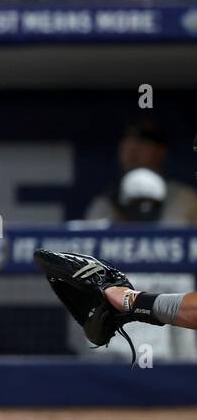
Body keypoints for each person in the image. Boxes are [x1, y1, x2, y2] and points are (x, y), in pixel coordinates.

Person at [69, 169, 197, 362]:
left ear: (119, 205)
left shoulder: (91, 241)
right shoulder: (175, 247)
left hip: (105, 362)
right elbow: (184, 343)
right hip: (156, 363)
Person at [84, 121, 197, 224]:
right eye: (128, 141)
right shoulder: (104, 203)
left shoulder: (184, 198)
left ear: (161, 151)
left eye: (143, 141)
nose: (133, 148)